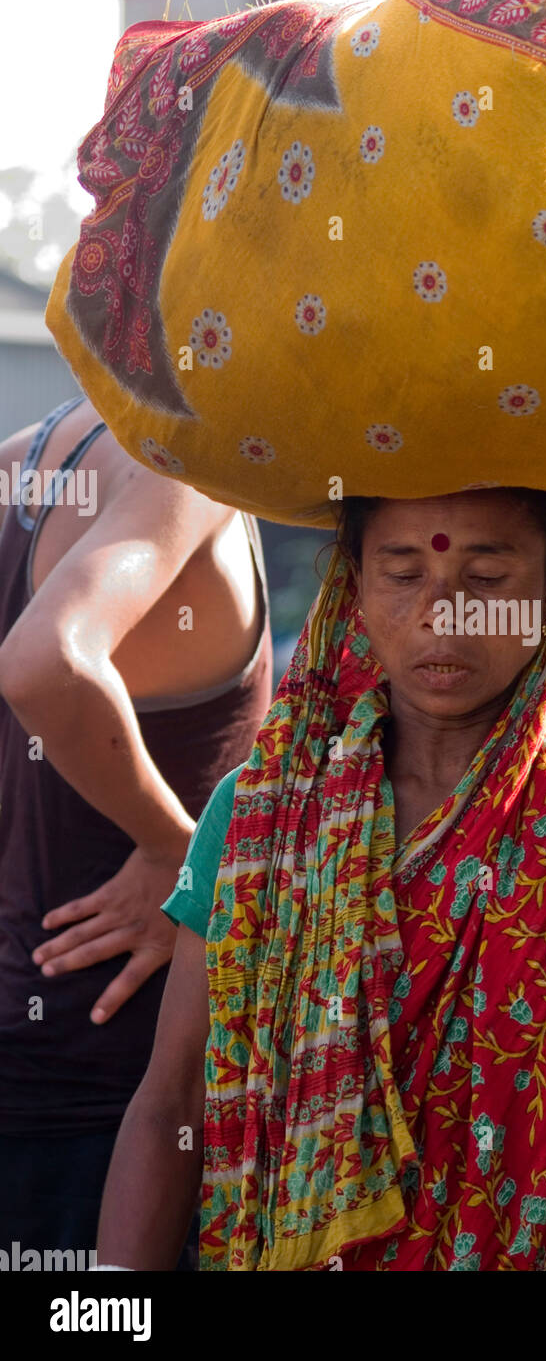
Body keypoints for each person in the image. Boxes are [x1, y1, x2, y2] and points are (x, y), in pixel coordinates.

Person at [96, 487, 546, 1271]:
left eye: (485, 578)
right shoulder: (259, 819)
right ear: (353, 586)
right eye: (403, 574)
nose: (443, 614)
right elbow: (172, 1102)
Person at [0, 393, 274, 1265]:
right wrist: (174, 847)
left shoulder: (27, 458)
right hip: (117, 1094)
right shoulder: (187, 463)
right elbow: (48, 662)